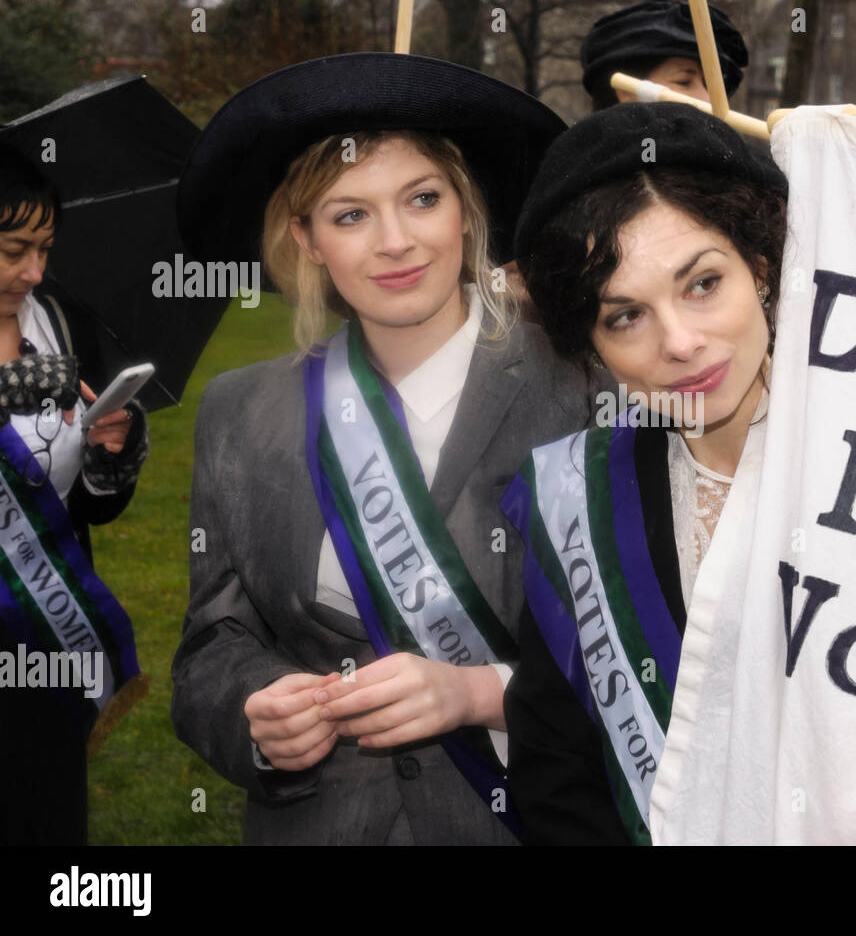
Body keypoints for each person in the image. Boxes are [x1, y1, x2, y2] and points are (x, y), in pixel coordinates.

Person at [170, 53, 596, 845]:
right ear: (306, 239)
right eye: (350, 214)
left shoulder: (587, 390)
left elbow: (662, 652)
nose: (395, 241)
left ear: (466, 210)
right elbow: (209, 650)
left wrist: (485, 693)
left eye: (422, 199)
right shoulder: (239, 412)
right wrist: (254, 715)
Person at [501, 103, 787, 843]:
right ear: (591, 348)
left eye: (701, 283)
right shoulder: (579, 495)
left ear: (759, 265)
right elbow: (554, 771)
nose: (681, 343)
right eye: (625, 316)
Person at [0, 140, 148, 845]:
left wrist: (110, 448)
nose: (34, 270)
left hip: (44, 619)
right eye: (13, 250)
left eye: (46, 248)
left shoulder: (60, 323)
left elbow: (90, 506)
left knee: (45, 808)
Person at [580, 0, 748, 110]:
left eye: (708, 86)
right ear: (627, 92)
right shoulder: (647, 154)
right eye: (683, 82)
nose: (708, 99)